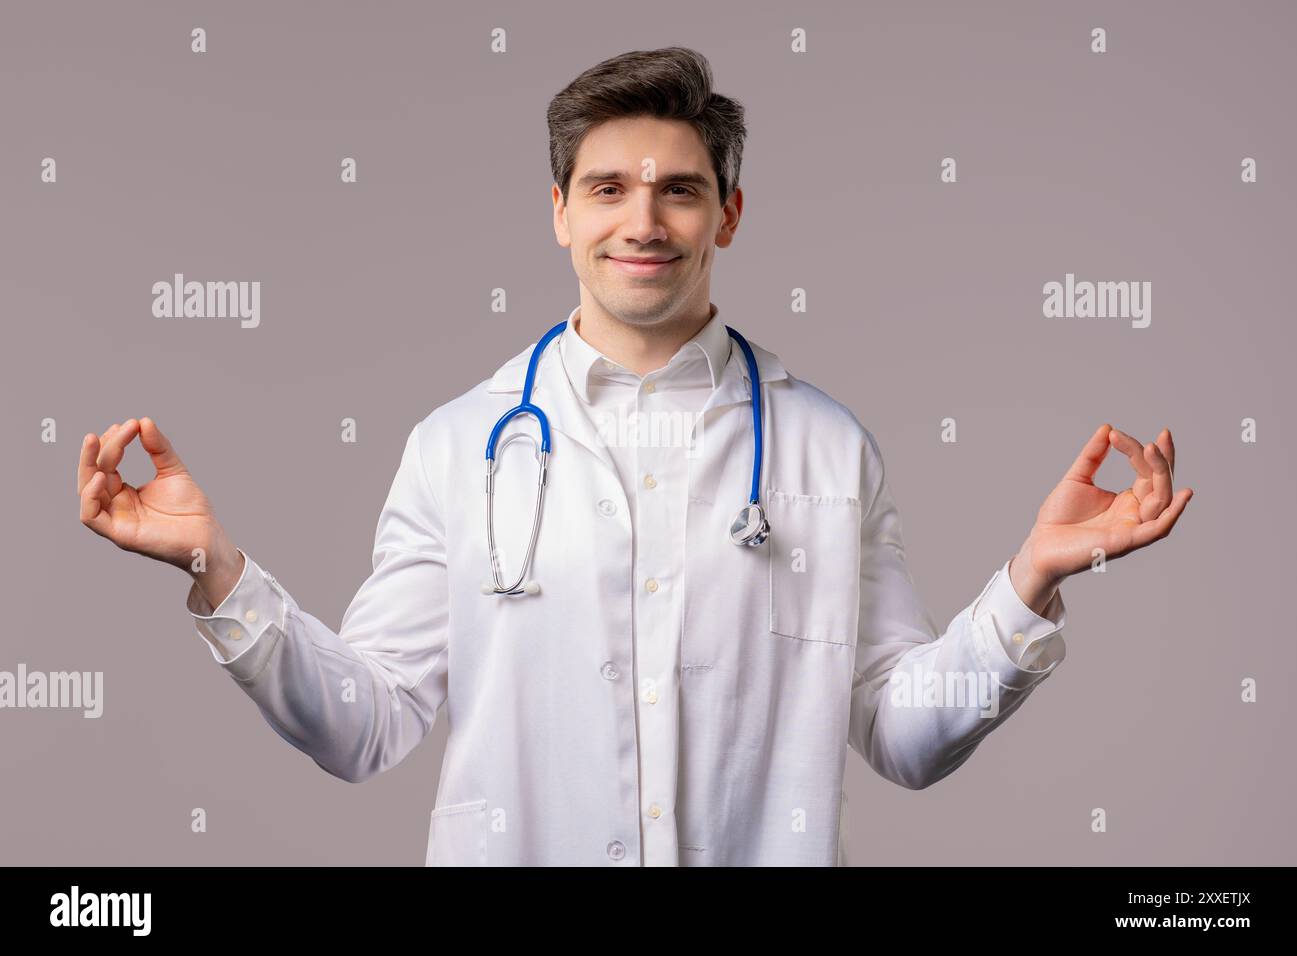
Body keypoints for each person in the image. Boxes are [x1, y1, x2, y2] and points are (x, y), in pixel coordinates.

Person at [76, 47, 1192, 866]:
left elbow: (901, 734)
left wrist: (1028, 583)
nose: (642, 219)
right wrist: (216, 569)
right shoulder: (459, 445)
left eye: (679, 188)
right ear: (558, 211)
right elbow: (364, 726)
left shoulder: (824, 447)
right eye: (608, 188)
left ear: (729, 213)